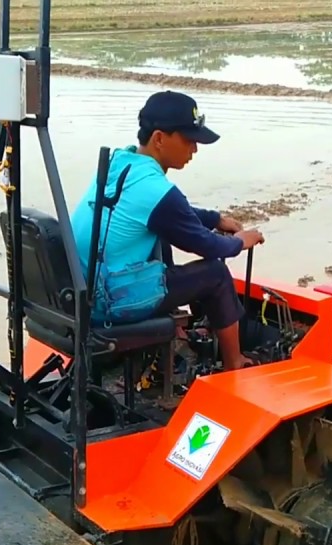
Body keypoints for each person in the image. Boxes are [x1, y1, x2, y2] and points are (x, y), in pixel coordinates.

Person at [69, 90, 265, 371]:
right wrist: (239, 242)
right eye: (189, 140)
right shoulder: (155, 189)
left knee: (160, 236)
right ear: (160, 138)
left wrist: (215, 219)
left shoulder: (121, 162)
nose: (194, 150)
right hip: (109, 300)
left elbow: (171, 215)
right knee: (216, 274)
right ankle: (235, 361)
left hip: (85, 287)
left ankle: (176, 332)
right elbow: (207, 246)